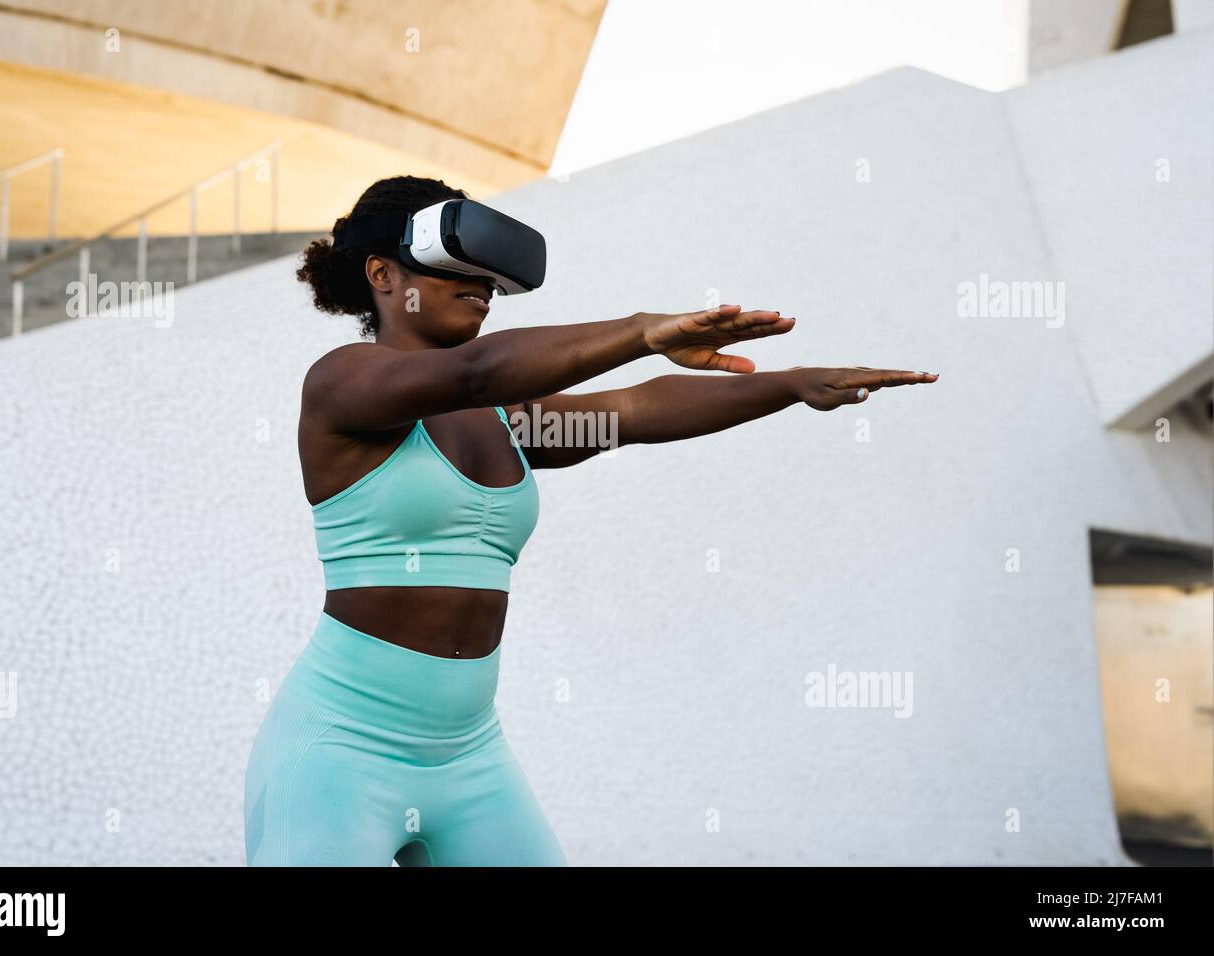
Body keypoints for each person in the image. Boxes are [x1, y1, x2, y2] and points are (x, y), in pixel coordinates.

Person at [243, 175, 938, 866]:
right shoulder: (341, 384)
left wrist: (789, 385)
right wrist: (642, 330)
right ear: (382, 274)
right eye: (460, 266)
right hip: (339, 749)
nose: (483, 284)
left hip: (467, 752)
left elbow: (633, 413)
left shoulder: (507, 420)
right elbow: (477, 370)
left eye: (492, 275)